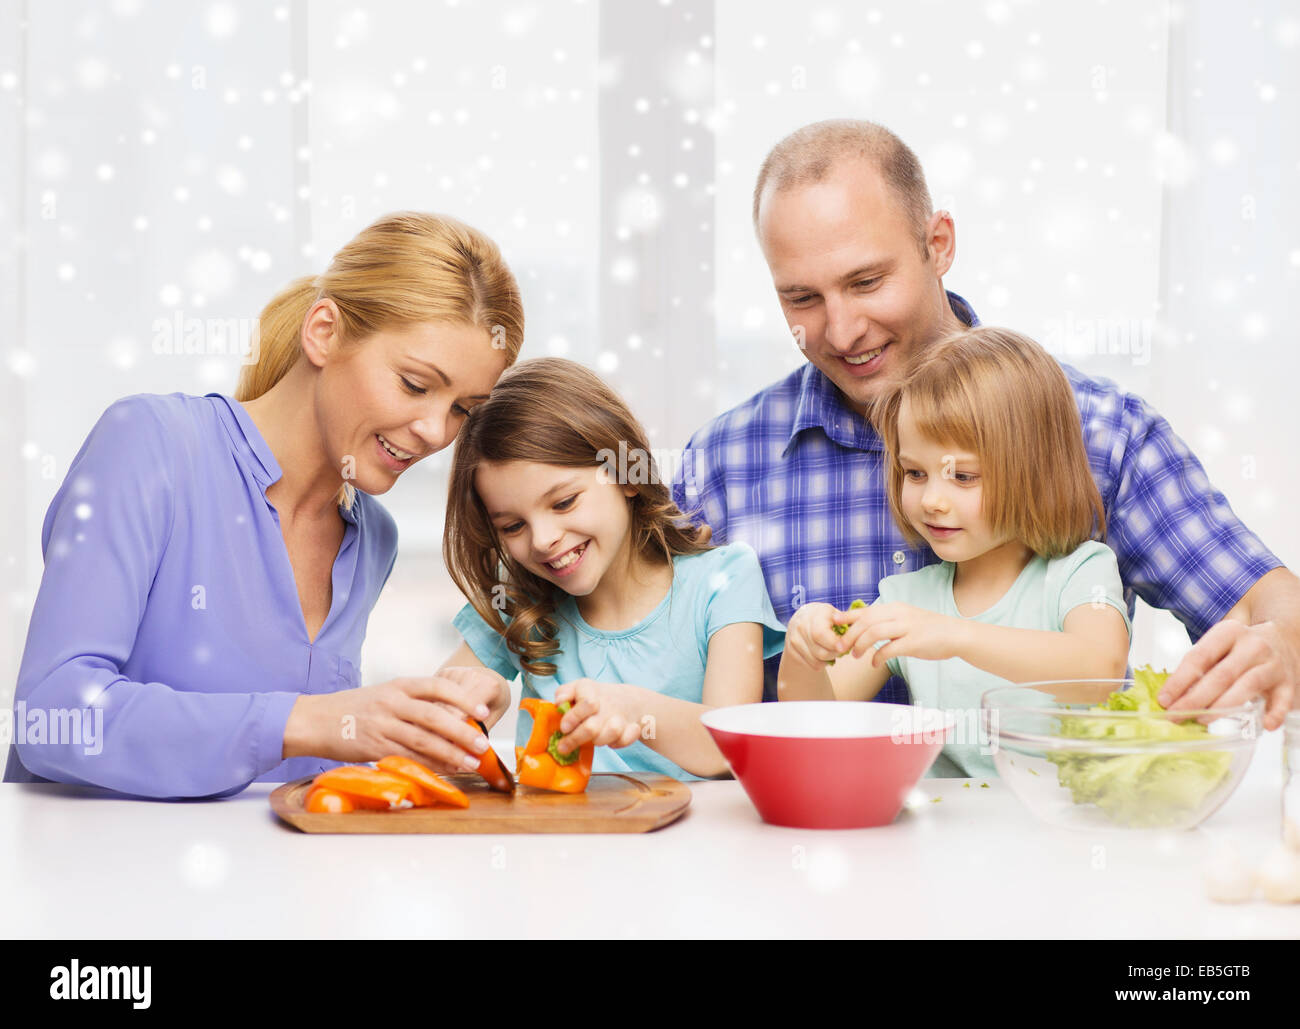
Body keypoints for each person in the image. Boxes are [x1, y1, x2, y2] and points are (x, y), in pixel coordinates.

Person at [672, 118, 1297, 730]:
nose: (841, 331)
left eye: (867, 281)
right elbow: (643, 667)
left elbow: (1260, 606)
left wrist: (1283, 646)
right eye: (801, 298)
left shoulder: (1102, 432)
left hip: (1042, 821)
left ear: (938, 244)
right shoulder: (723, 463)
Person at [5, 211, 525, 798]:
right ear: (324, 332)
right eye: (414, 384)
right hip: (103, 881)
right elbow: (51, 715)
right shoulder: (152, 444)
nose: (436, 431)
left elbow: (292, 776)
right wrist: (309, 720)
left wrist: (430, 729)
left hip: (271, 886)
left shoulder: (372, 537)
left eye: (463, 409)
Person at [778, 327, 1132, 777]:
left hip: (1060, 828)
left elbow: (1099, 672)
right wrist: (802, 651)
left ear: (1037, 473)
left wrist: (957, 637)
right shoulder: (908, 604)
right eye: (915, 473)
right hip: (943, 836)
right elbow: (814, 722)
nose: (931, 501)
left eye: (963, 477)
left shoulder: (1079, 572)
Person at [443, 357, 786, 780]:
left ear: (627, 474)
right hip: (556, 838)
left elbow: (729, 748)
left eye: (564, 502)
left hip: (693, 841)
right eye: (513, 526)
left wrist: (632, 710)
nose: (542, 539)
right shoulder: (518, 596)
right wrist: (475, 700)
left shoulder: (724, 579)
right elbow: (434, 727)